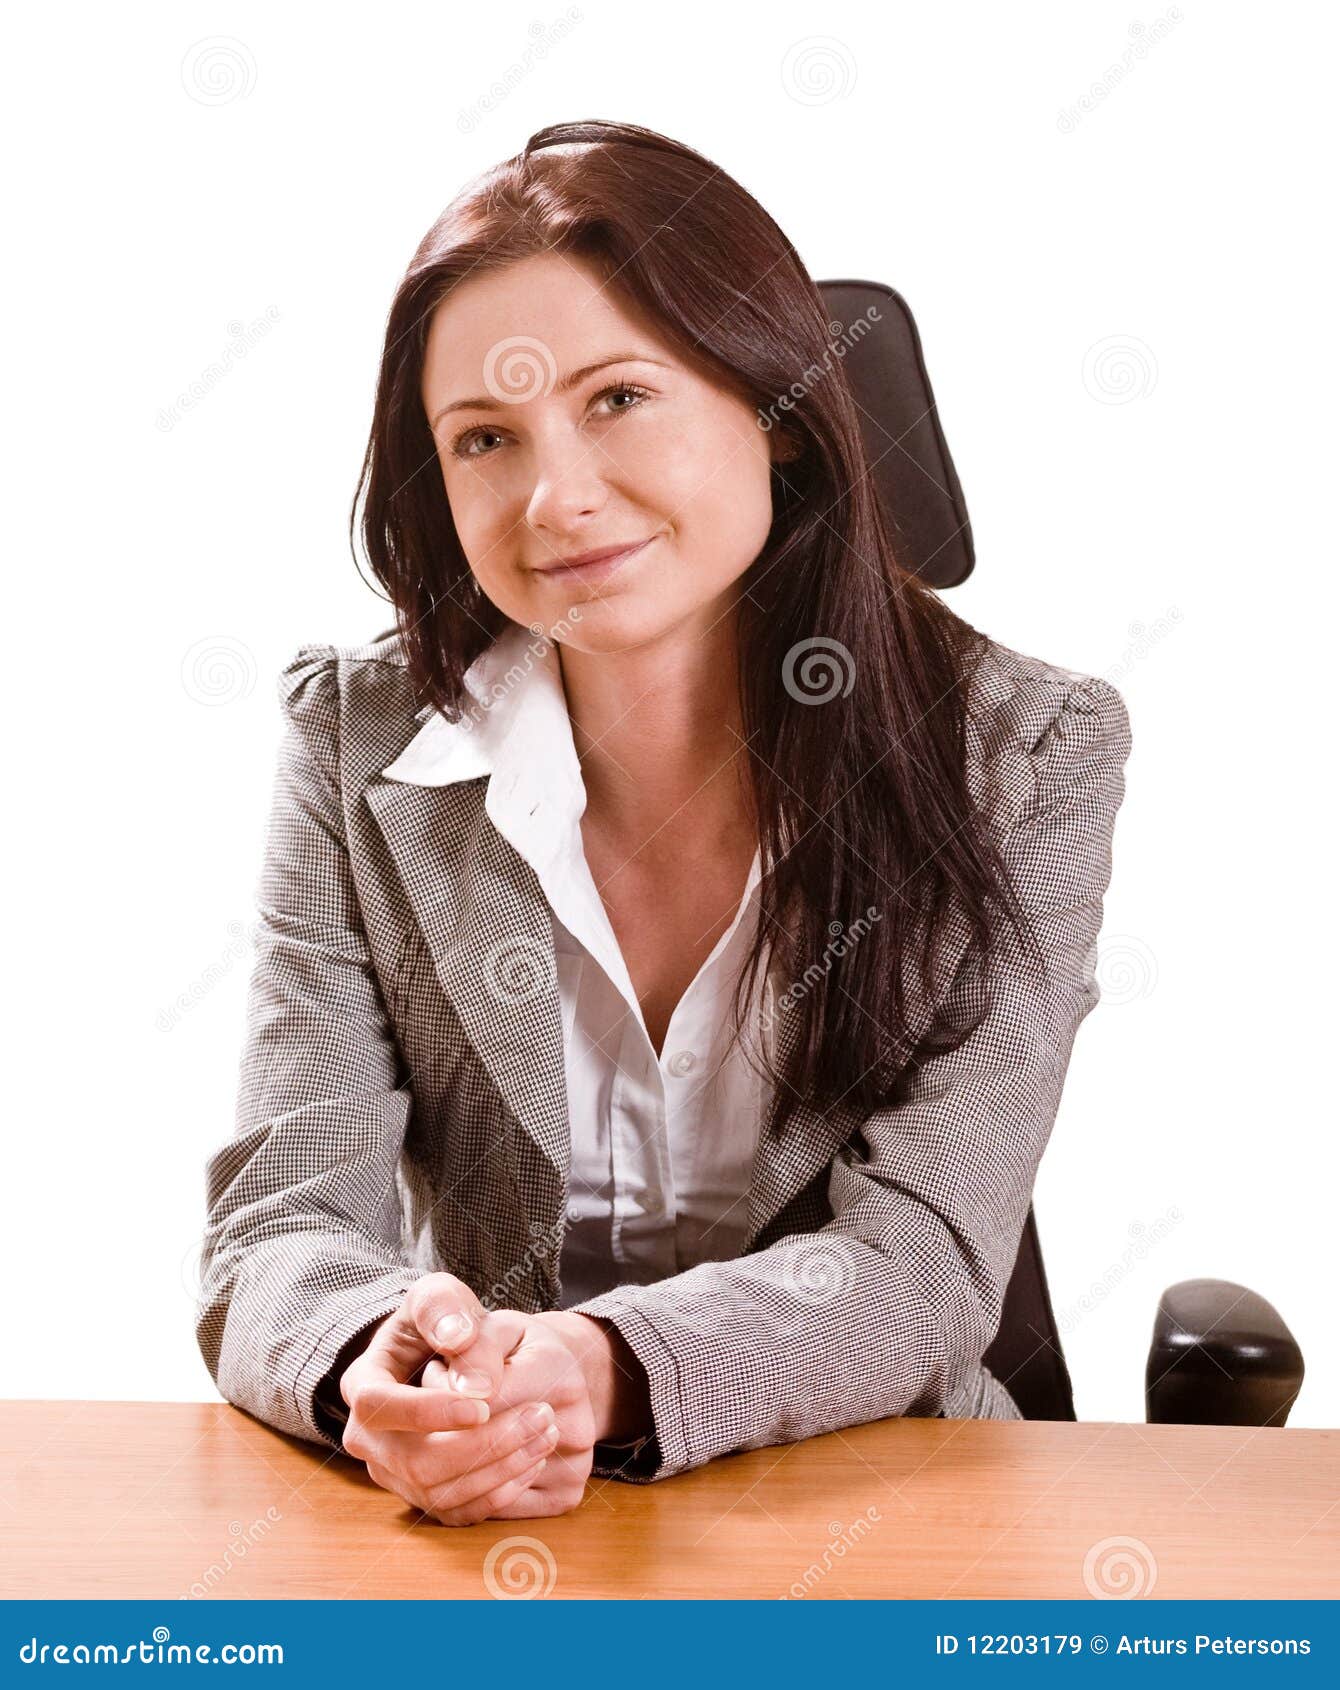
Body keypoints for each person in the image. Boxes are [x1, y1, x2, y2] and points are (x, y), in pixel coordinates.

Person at [196, 119, 1132, 1528]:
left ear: (777, 411)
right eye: (484, 439)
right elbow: (284, 1217)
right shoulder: (360, 743)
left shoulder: (1025, 752)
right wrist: (369, 1368)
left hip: (883, 1511)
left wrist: (601, 1366)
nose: (554, 496)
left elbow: (927, 1254)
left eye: (620, 397)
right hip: (497, 1512)